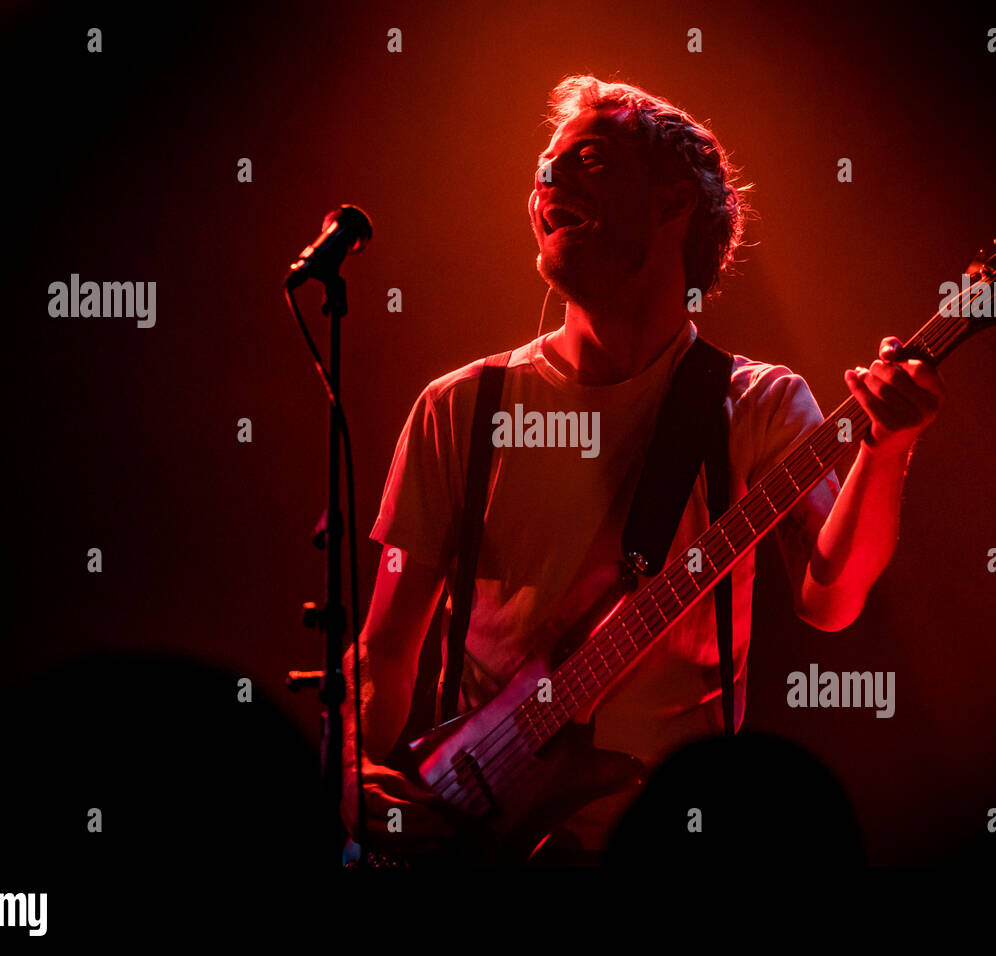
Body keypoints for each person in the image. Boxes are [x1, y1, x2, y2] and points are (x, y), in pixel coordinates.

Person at [340, 75, 945, 861]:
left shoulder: (754, 402)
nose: (547, 184)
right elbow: (384, 649)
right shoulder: (461, 405)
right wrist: (351, 771)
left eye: (588, 162)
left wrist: (886, 447)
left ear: (671, 204)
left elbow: (830, 598)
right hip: (472, 830)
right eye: (542, 170)